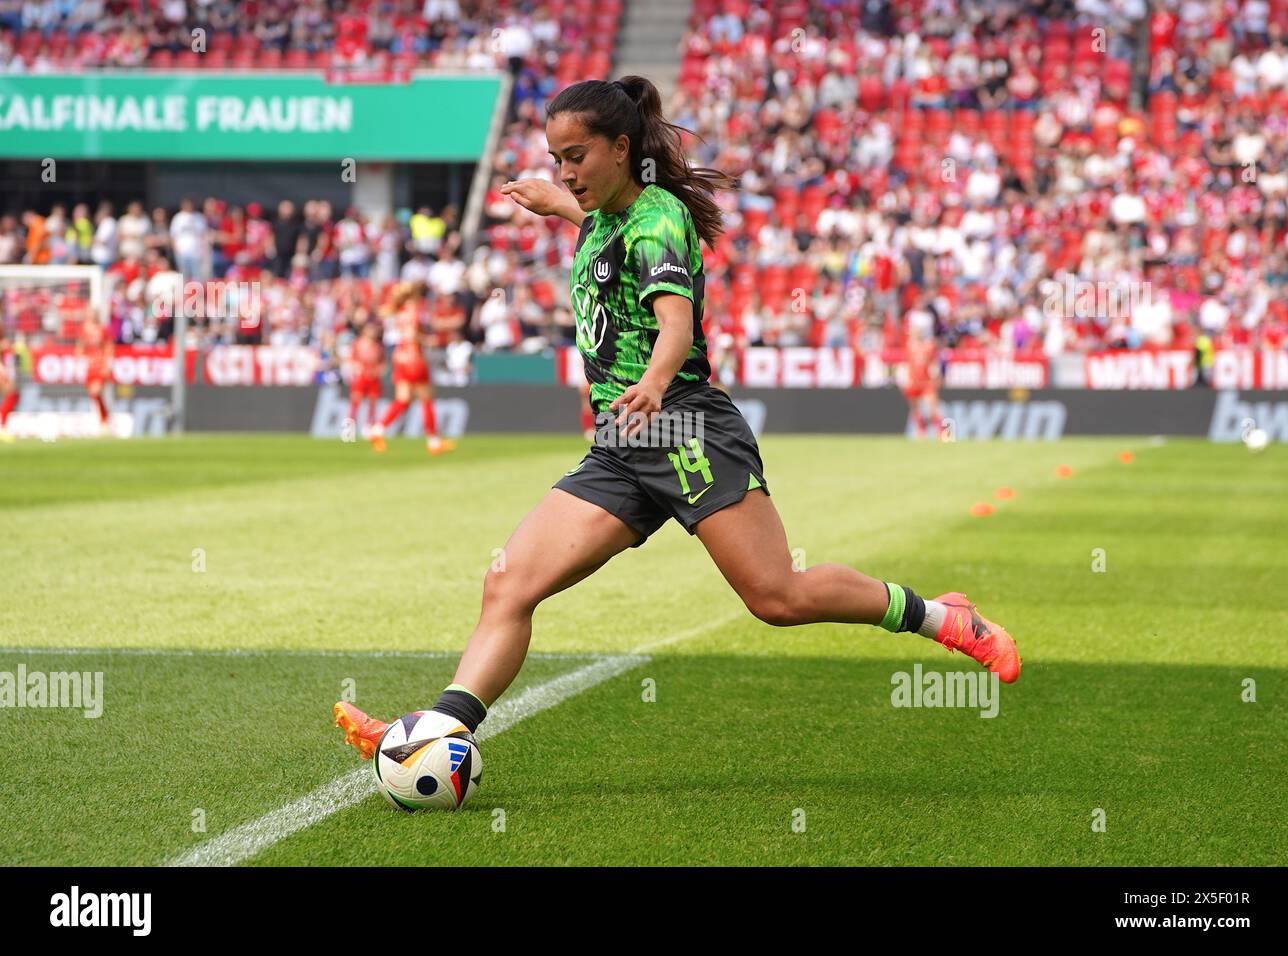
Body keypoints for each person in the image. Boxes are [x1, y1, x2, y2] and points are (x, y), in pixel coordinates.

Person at [334, 76, 1020, 760]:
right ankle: (436, 738)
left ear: (622, 147)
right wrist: (559, 206)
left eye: (576, 156)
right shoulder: (608, 215)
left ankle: (942, 616)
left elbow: (676, 323)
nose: (565, 172)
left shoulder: (659, 215)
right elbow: (610, 241)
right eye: (556, 160)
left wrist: (655, 383)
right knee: (509, 582)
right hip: (623, 443)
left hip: (682, 425)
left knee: (777, 596)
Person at [365, 282, 454, 456]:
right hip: (413, 357)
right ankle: (433, 441)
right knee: (427, 399)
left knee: (403, 400)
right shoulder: (413, 310)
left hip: (401, 356)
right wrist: (428, 340)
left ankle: (378, 429)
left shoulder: (400, 312)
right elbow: (412, 335)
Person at [902, 325, 945, 439]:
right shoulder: (909, 347)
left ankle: (943, 432)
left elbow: (934, 364)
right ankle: (921, 431)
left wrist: (937, 377)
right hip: (913, 381)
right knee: (915, 408)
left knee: (933, 408)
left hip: (926, 382)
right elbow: (906, 364)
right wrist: (905, 380)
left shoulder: (929, 346)